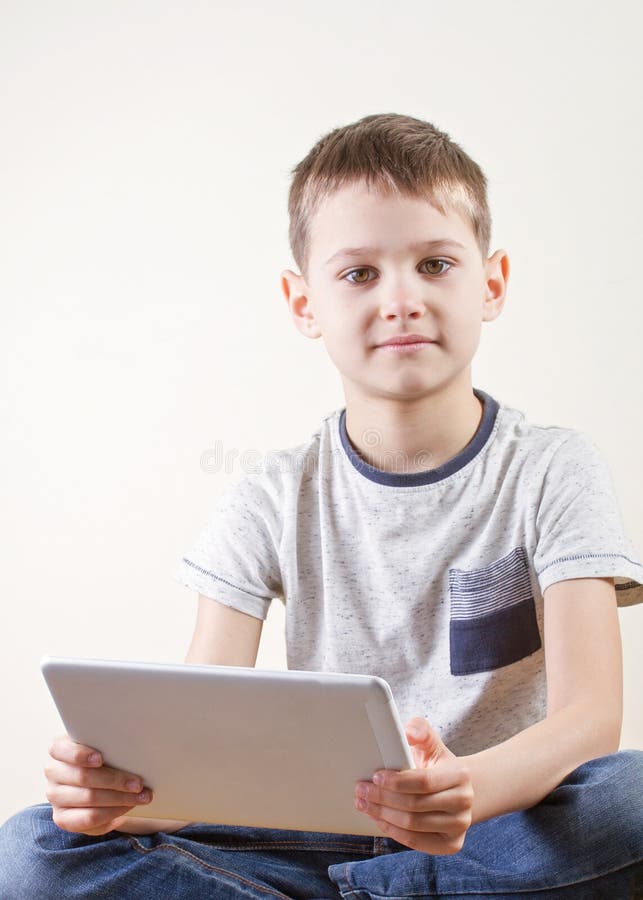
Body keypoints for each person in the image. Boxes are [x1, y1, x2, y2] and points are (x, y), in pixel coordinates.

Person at [1, 112, 642, 899]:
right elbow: (192, 749)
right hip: (312, 835)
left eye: (435, 263)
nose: (400, 299)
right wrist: (113, 795)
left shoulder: (552, 467)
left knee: (630, 797)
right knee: (34, 847)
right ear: (303, 303)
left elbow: (588, 724)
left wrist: (460, 789)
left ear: (492, 283)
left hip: (491, 824)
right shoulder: (269, 495)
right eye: (359, 273)